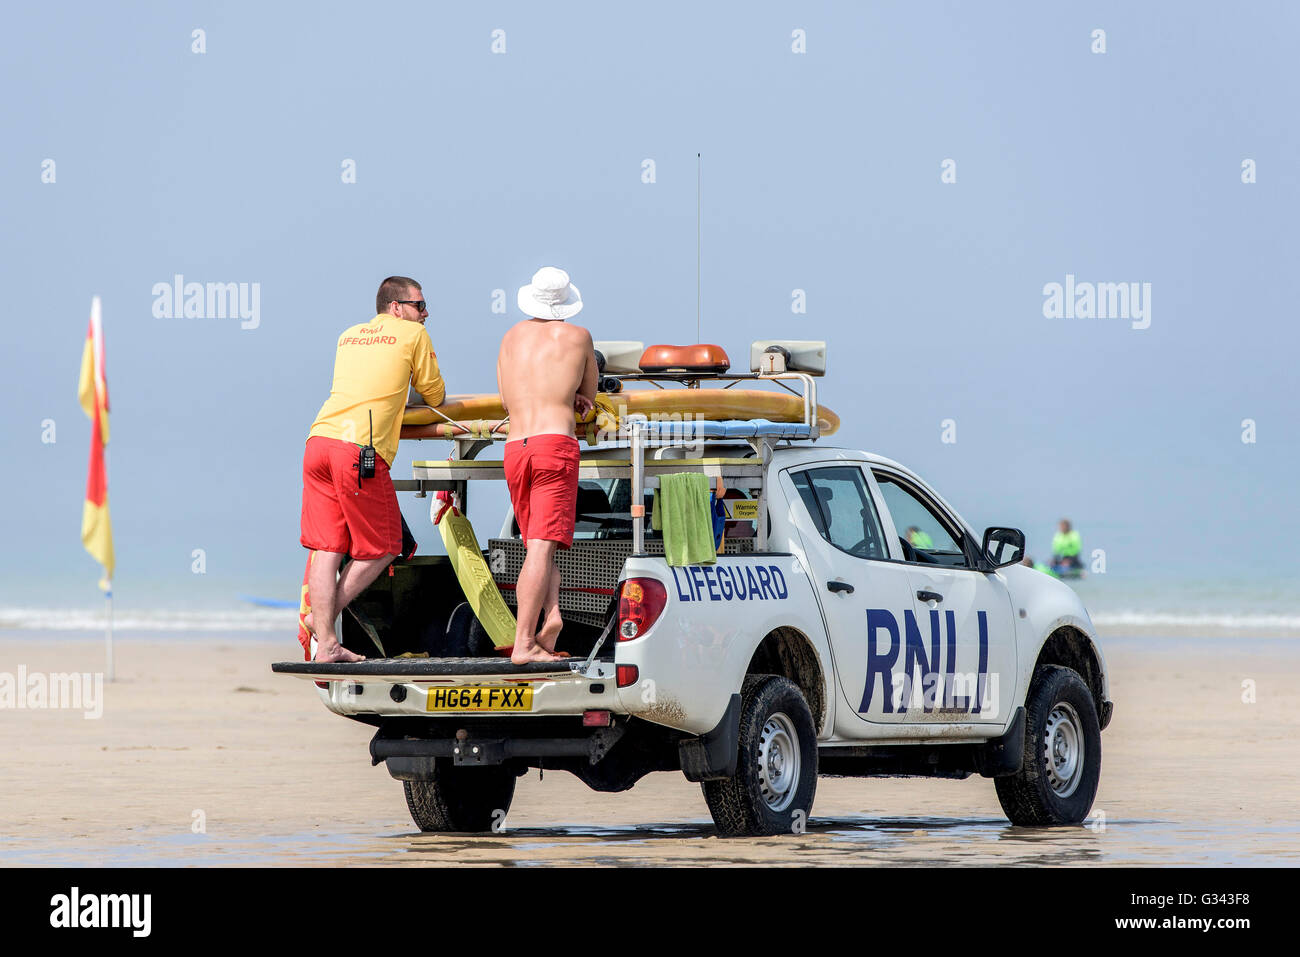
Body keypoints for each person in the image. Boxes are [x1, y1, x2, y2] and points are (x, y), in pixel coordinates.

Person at [298, 277, 446, 662]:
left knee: (327, 547)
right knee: (384, 547)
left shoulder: (349, 335)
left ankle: (328, 643)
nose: (425, 312)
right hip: (357, 451)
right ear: (396, 307)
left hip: (319, 442)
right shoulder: (413, 335)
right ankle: (321, 618)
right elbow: (436, 395)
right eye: (420, 304)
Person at [497, 266, 598, 664]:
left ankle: (551, 615)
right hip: (554, 444)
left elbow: (506, 399)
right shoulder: (579, 336)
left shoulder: (510, 337)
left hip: (516, 446)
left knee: (536, 545)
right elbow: (587, 394)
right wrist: (575, 399)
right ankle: (524, 644)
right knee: (540, 548)